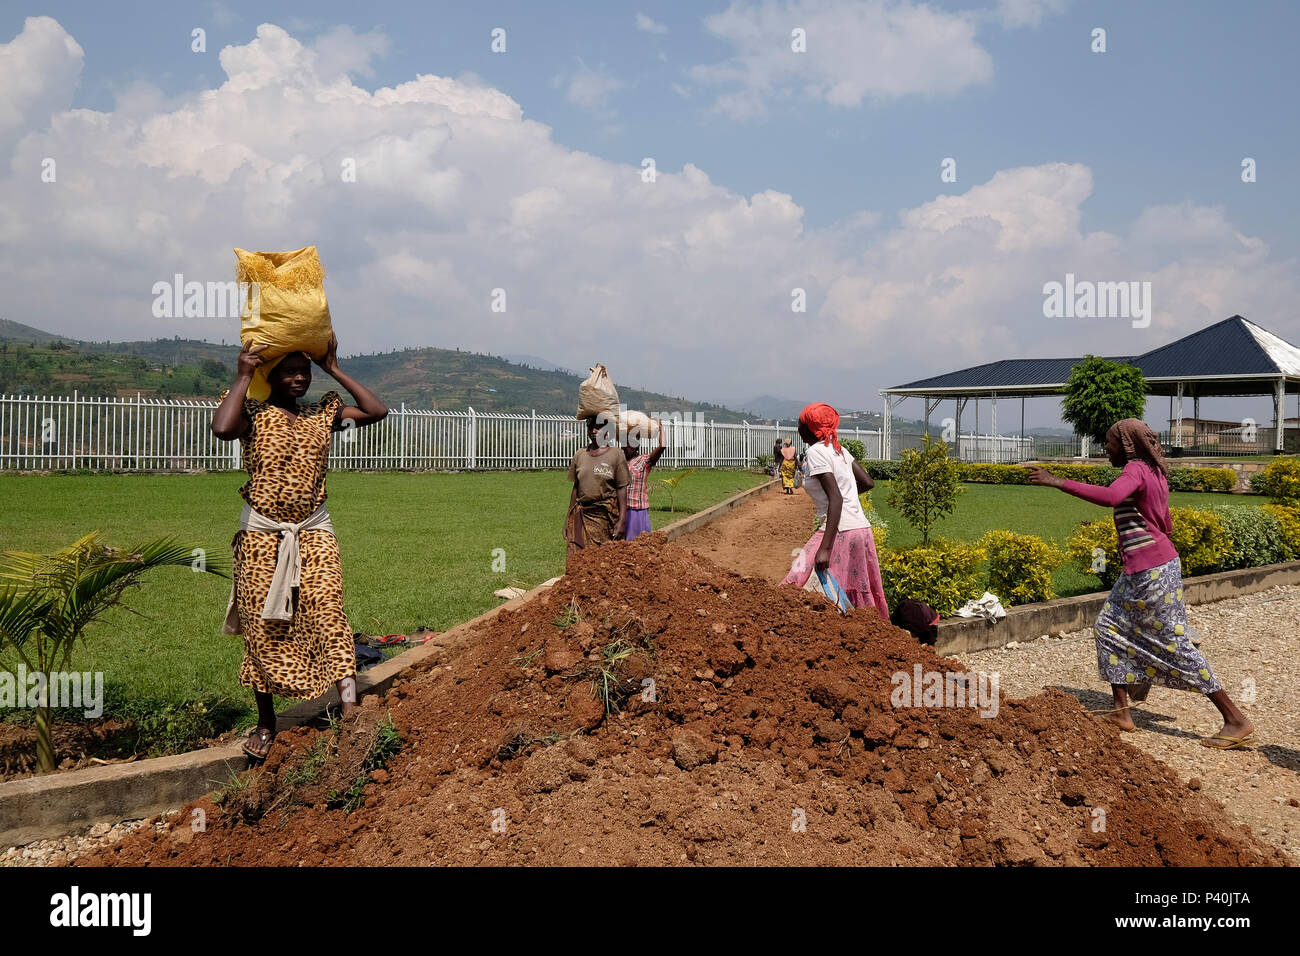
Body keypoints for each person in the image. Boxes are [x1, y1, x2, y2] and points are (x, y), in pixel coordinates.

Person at [1025, 419, 1255, 749]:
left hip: (1150, 571)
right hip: (1150, 567)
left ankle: (1234, 719)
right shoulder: (1154, 470)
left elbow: (1111, 496)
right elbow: (1164, 521)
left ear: (1127, 445)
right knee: (1107, 627)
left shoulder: (1134, 469)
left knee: (1173, 647)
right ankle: (1122, 711)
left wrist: (1057, 481)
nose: (1106, 447)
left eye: (1110, 442)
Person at [212, 337, 388, 760]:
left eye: (304, 371)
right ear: (269, 376)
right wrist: (242, 376)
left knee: (328, 607)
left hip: (313, 531)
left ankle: (350, 709)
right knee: (264, 626)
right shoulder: (251, 413)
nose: (299, 378)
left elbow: (376, 411)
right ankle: (267, 722)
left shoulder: (322, 414)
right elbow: (221, 429)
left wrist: (333, 368)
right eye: (290, 371)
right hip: (261, 537)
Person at [780, 403, 889, 617]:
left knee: (799, 576)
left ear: (810, 428)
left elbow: (835, 498)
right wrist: (849, 500)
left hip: (841, 530)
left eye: (801, 425)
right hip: (861, 530)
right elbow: (867, 482)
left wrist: (825, 549)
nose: (798, 429)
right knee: (849, 587)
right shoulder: (838, 449)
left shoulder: (816, 452)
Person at [564, 416, 631, 563]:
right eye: (590, 427)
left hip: (605, 517)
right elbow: (576, 487)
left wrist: (622, 520)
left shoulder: (616, 454)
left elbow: (621, 488)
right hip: (582, 514)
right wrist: (568, 518)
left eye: (598, 427)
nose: (593, 430)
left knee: (602, 561)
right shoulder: (580, 455)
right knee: (576, 560)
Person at [622, 418, 666, 541]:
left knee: (639, 543)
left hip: (637, 510)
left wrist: (660, 427)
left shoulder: (644, 461)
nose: (629, 445)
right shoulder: (619, 461)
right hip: (621, 509)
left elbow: (662, 446)